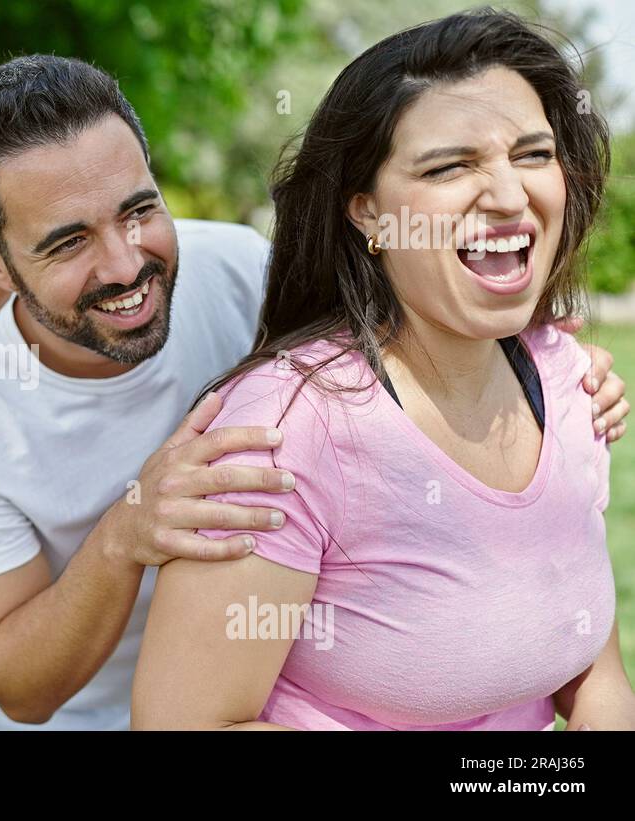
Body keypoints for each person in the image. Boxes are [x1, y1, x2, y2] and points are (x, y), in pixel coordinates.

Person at [0, 53, 629, 731]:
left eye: (139, 210)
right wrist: (127, 529)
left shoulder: (228, 265)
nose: (126, 264)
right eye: (67, 242)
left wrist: (545, 365)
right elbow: (16, 687)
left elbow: (402, 299)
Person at [133, 10, 635, 730]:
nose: (507, 194)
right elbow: (182, 724)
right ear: (367, 213)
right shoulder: (286, 428)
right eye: (449, 166)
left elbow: (593, 670)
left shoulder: (567, 380)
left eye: (532, 154)